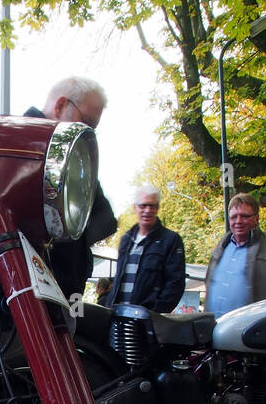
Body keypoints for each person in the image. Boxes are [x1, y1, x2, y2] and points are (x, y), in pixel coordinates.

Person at [24, 78, 117, 299]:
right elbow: (105, 219)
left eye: (92, 128)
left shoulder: (74, 157)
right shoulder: (18, 141)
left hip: (60, 287)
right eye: (85, 122)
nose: (87, 133)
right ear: (60, 106)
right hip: (39, 288)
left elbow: (107, 220)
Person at [203, 193, 266, 317]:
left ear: (256, 218)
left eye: (244, 216)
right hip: (216, 325)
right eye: (234, 217)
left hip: (256, 325)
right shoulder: (221, 247)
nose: (238, 221)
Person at [103, 184, 186, 314]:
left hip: (148, 320)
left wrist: (155, 313)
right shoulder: (126, 240)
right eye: (143, 206)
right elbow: (119, 278)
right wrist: (109, 307)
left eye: (152, 206)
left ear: (157, 208)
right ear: (135, 208)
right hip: (118, 315)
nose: (147, 210)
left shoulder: (170, 240)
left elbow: (176, 283)